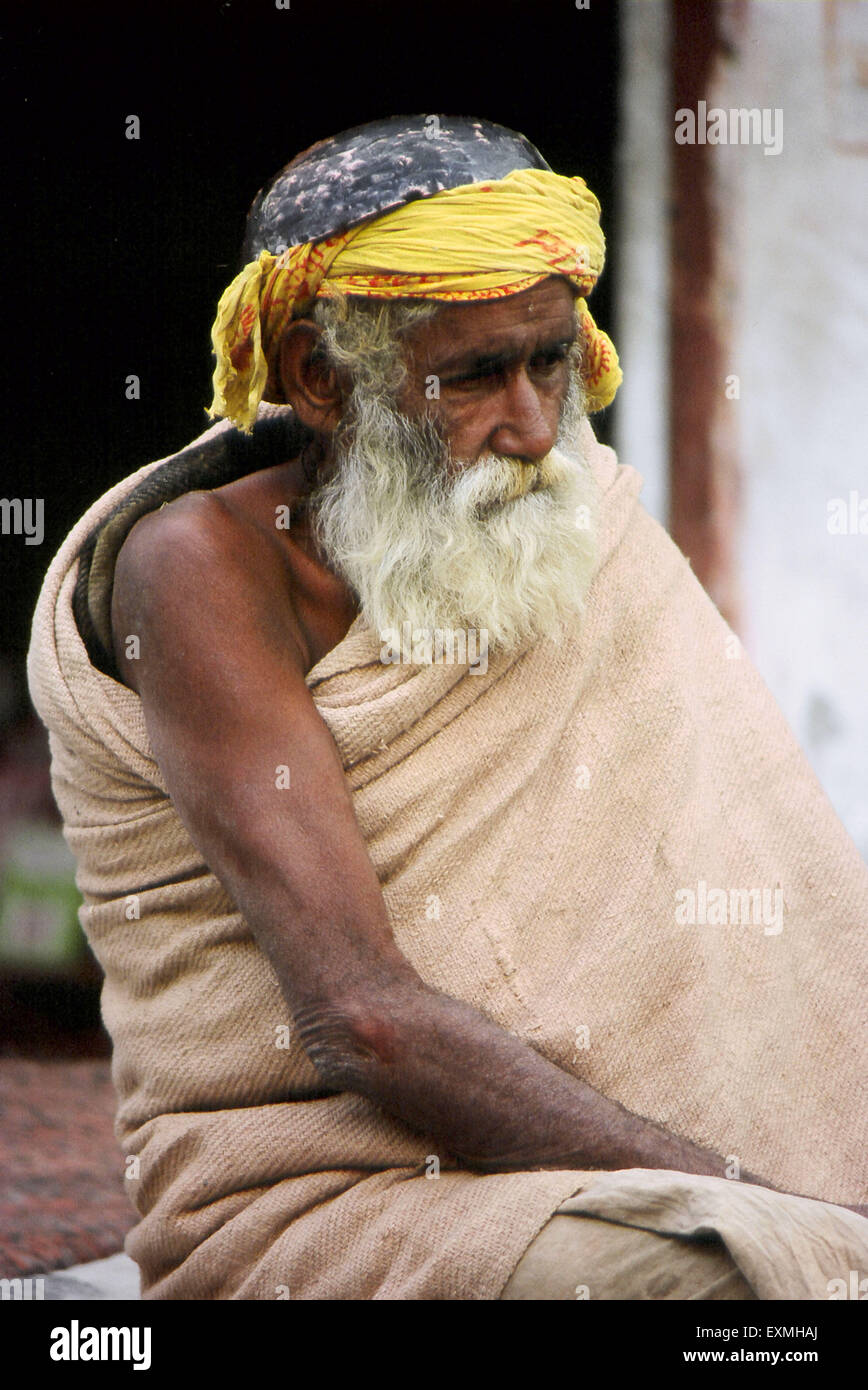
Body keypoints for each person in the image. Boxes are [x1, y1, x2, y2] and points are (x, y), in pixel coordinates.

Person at [28, 117, 868, 1300]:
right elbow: (361, 1021)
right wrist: (757, 1201)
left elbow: (765, 918)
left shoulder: (577, 529)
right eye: (474, 375)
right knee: (729, 1283)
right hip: (324, 1202)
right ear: (324, 378)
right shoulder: (203, 571)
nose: (531, 427)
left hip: (613, 1167)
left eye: (550, 363)